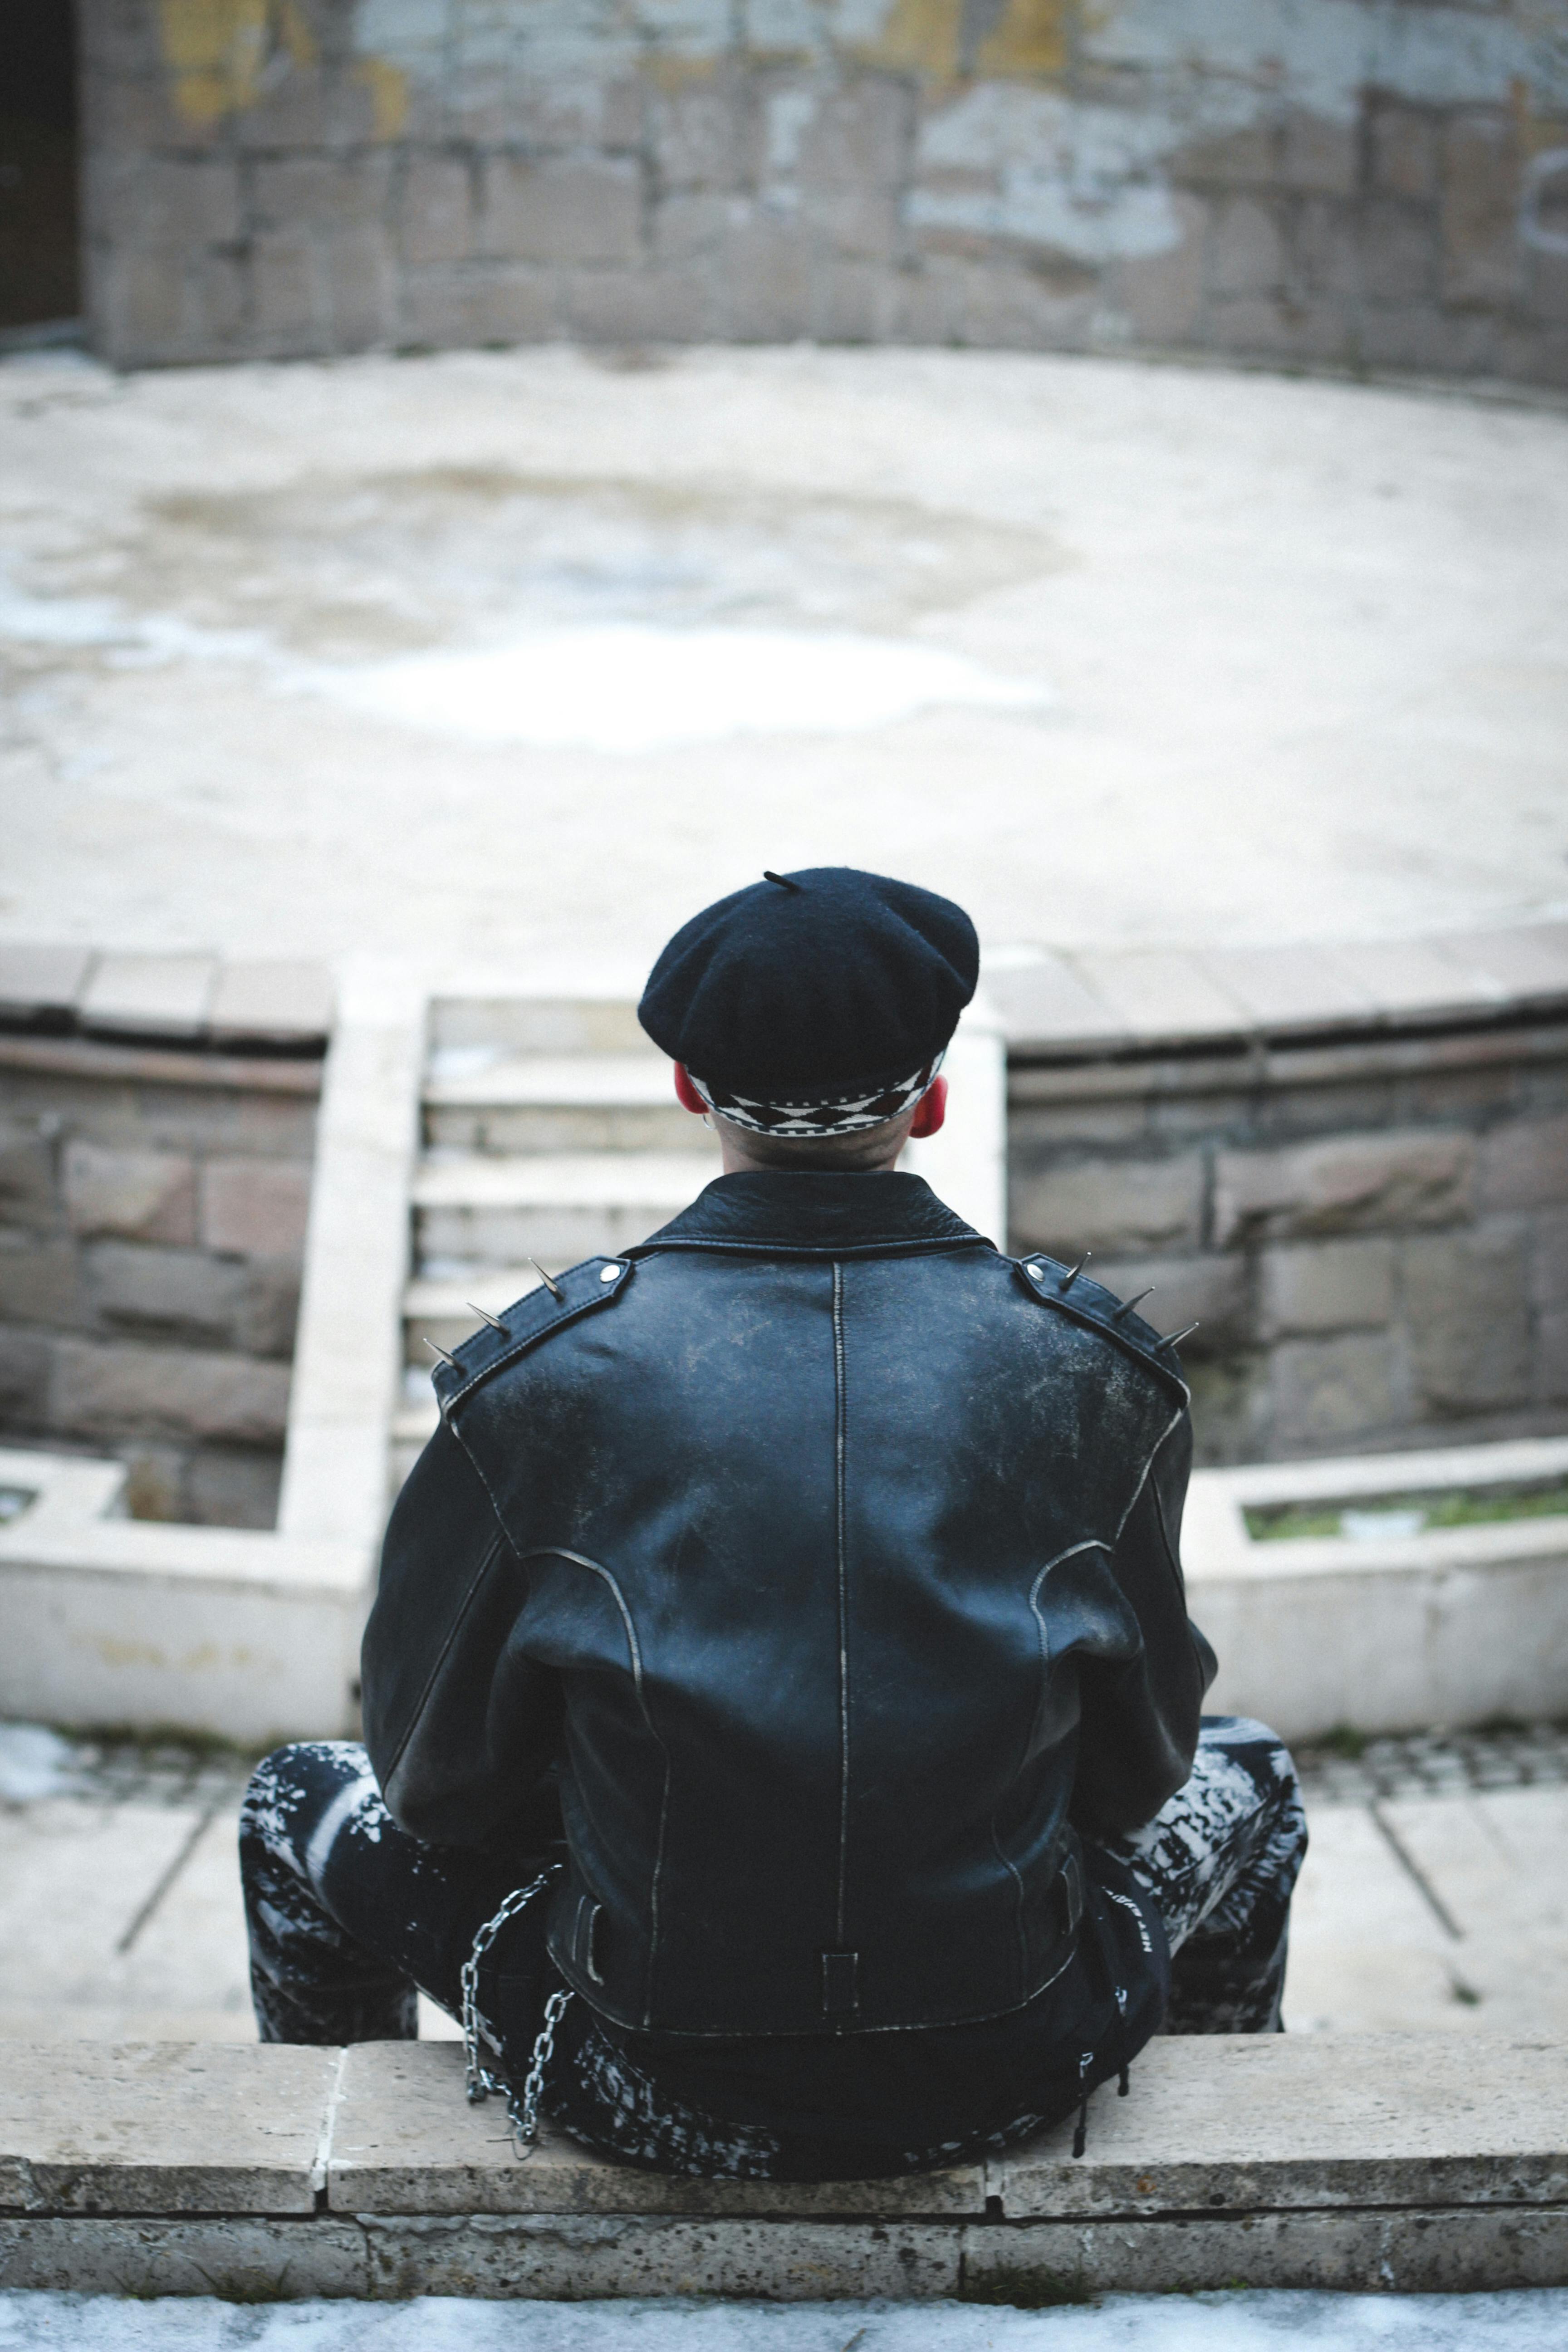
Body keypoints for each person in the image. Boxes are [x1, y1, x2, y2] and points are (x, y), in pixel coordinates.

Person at [240, 866, 1307, 2181]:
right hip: (1019, 2057)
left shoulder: (540, 1383)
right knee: (1252, 1772)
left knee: (294, 1796)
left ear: (690, 1087)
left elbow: (433, 1787)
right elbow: (1144, 1773)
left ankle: (313, 2202)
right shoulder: (1094, 1372)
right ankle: (1228, 2178)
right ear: (933, 1097)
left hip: (647, 2074)